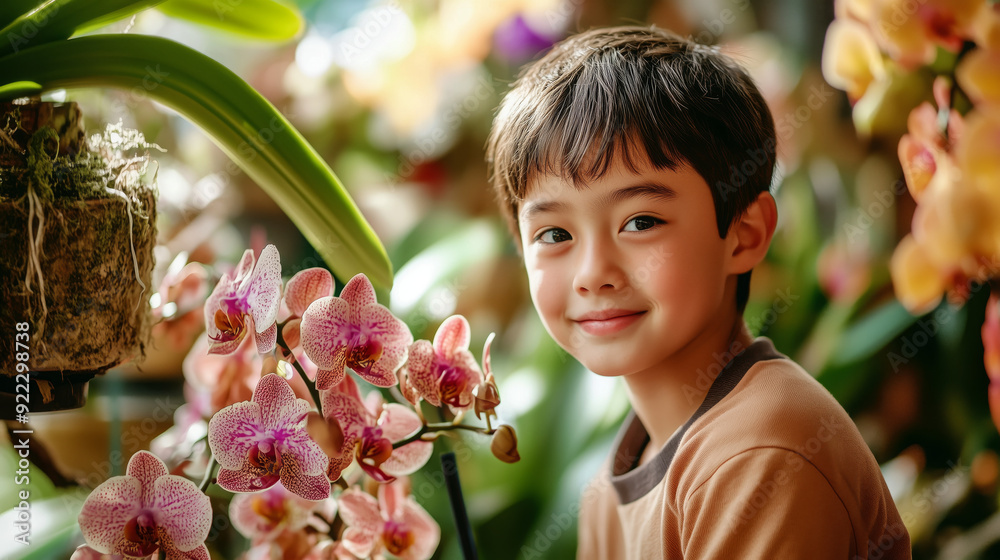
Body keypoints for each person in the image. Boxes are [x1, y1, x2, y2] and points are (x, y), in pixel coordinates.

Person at [485, 25, 910, 559]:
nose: (592, 274)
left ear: (744, 235)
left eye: (641, 222)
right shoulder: (609, 486)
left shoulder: (759, 455)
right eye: (554, 235)